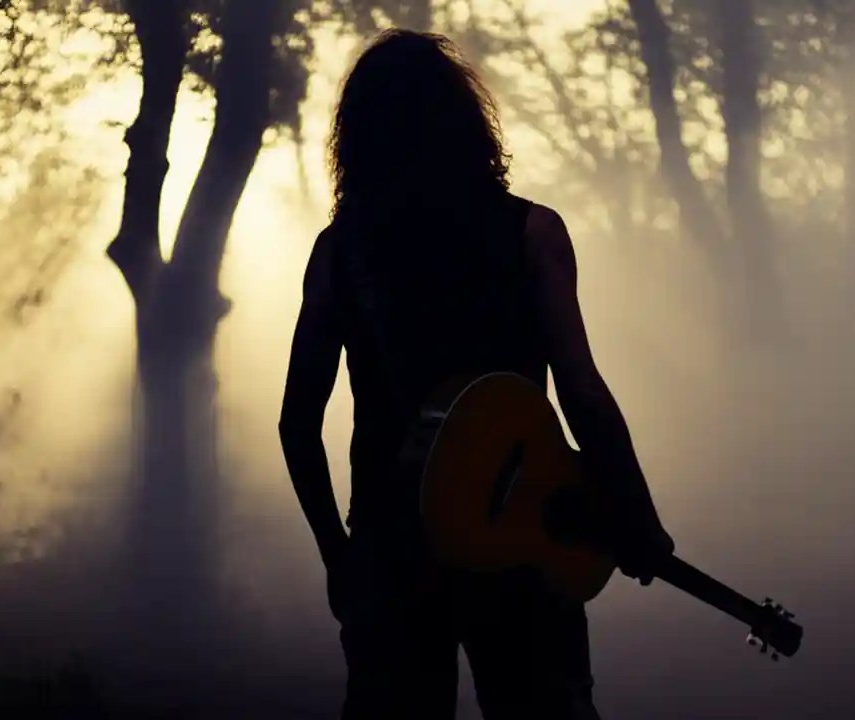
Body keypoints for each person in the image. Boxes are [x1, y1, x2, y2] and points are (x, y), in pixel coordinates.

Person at [278, 29, 674, 720]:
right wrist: (635, 514)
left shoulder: (338, 257)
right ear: (465, 123)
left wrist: (339, 557)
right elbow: (582, 392)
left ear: (359, 138)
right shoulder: (532, 234)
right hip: (524, 539)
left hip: (390, 548)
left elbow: (296, 425)